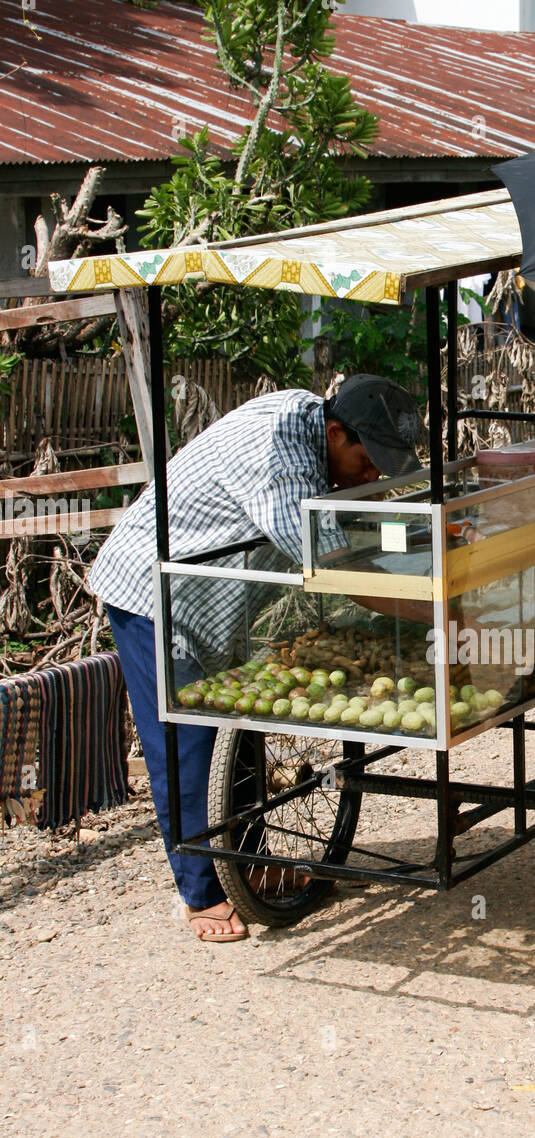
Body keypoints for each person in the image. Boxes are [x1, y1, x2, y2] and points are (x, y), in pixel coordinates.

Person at [91, 375, 423, 943]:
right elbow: (337, 570)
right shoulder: (279, 458)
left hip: (217, 598)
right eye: (367, 461)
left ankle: (249, 866)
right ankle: (200, 894)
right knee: (188, 743)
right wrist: (433, 610)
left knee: (241, 736)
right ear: (337, 431)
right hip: (156, 592)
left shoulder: (315, 423)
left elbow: (357, 534)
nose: (373, 477)